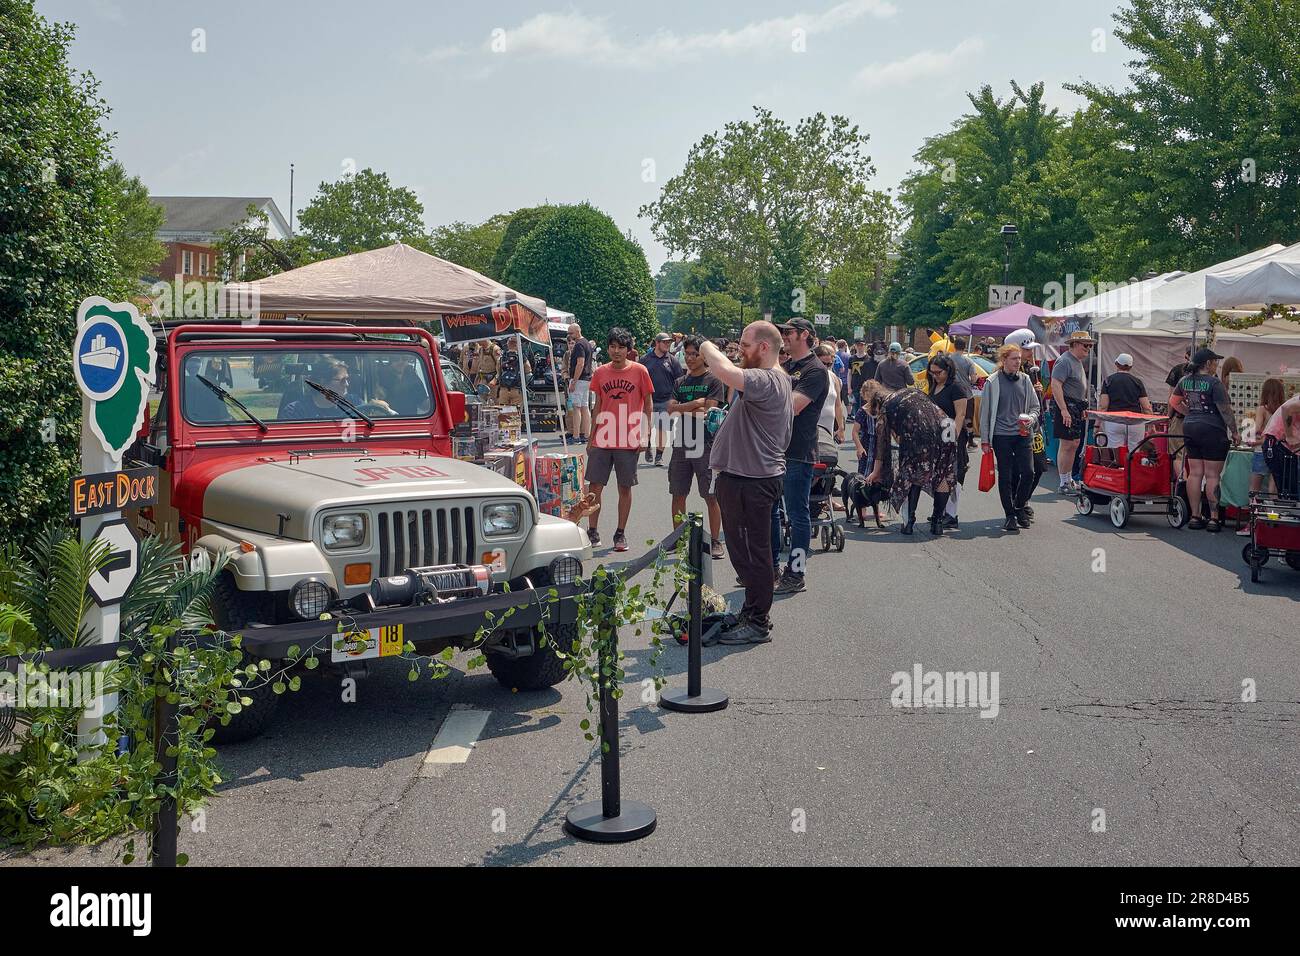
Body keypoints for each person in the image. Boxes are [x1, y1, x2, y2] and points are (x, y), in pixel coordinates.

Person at [701, 321, 792, 646]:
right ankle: (752, 612)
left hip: (751, 480)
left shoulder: (767, 379)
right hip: (747, 477)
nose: (740, 350)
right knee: (748, 552)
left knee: (752, 554)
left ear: (764, 347)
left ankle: (757, 621)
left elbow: (723, 370)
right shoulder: (772, 380)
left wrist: (705, 346)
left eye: (745, 345)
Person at [772, 318, 829, 594]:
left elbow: (793, 406)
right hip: (775, 450)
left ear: (805, 335)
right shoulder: (786, 367)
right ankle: (770, 569)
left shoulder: (815, 369)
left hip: (799, 451)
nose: (784, 336)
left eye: (789, 332)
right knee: (771, 511)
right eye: (783, 332)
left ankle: (796, 573)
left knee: (797, 514)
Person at [586, 327, 654, 552]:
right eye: (613, 347)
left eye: (621, 347)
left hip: (629, 437)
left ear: (628, 350)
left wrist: (645, 434)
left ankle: (620, 532)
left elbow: (648, 404)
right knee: (594, 487)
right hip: (603, 437)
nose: (616, 351)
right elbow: (597, 406)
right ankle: (592, 530)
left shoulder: (640, 371)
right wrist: (591, 436)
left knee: (624, 487)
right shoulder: (600, 373)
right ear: (607, 348)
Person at [862, 380, 956, 536]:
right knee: (944, 474)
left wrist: (876, 471)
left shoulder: (886, 407)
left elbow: (882, 445)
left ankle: (909, 523)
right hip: (947, 429)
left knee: (913, 475)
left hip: (921, 436)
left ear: (876, 404)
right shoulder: (909, 392)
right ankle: (937, 523)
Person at [667, 335, 726, 559]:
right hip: (682, 443)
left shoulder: (713, 381)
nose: (690, 358)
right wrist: (694, 404)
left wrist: (683, 408)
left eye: (695, 354)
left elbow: (708, 413)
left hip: (706, 443)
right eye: (687, 353)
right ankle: (678, 538)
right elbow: (670, 409)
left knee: (711, 496)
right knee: (677, 493)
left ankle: (715, 540)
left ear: (704, 356)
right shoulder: (680, 381)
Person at [1169, 348, 1240, 531]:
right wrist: (1235, 431)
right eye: (1215, 361)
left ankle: (1195, 515)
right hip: (1213, 429)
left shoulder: (1184, 381)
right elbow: (1225, 410)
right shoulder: (1214, 383)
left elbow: (1173, 402)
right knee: (1212, 475)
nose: (1216, 364)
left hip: (1190, 427)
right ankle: (1214, 518)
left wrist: (1190, 413)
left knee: (1195, 473)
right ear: (1207, 363)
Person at [978, 344, 1042, 533]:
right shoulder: (992, 382)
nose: (1017, 362)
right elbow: (985, 413)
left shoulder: (1025, 380)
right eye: (1014, 359)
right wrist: (985, 440)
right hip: (1001, 435)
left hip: (1023, 434)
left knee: (1028, 472)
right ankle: (1010, 515)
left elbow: (1035, 407)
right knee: (1005, 476)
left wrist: (1030, 418)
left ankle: (1019, 506)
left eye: (1019, 359)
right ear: (1004, 360)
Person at [926, 352, 971, 530]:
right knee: (939, 475)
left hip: (952, 437)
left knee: (955, 474)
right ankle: (941, 510)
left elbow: (960, 414)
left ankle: (951, 514)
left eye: (939, 373)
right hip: (937, 437)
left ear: (948, 370)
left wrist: (954, 436)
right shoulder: (934, 387)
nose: (935, 376)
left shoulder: (956, 388)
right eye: (932, 373)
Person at [1005, 329, 1048, 506]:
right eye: (1027, 349)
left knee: (1038, 467)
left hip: (1033, 425)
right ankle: (1017, 503)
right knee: (1015, 470)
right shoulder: (1006, 373)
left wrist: (1039, 392)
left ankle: (1022, 500)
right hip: (1012, 426)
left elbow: (1037, 402)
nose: (1031, 353)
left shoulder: (1032, 370)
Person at [1050, 330, 1093, 493]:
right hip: (1067, 405)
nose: (1088, 348)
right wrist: (1063, 409)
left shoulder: (1076, 361)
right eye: (1085, 345)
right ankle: (1063, 482)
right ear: (1074, 344)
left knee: (1074, 443)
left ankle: (1068, 479)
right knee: (1067, 444)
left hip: (1075, 406)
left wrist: (1080, 406)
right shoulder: (1065, 361)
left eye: (1089, 345)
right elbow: (1056, 384)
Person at [641, 332, 683, 466]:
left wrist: (677, 399)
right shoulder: (645, 359)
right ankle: (648, 447)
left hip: (666, 400)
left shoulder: (672, 360)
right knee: (646, 428)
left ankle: (659, 456)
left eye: (669, 342)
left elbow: (679, 380)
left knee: (662, 429)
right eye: (664, 342)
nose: (667, 344)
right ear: (657, 343)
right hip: (648, 400)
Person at [1098, 353, 1153, 451]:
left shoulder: (1108, 381)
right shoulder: (1137, 382)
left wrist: (1097, 425)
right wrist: (1151, 425)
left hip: (1114, 420)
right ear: (1131, 367)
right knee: (1135, 453)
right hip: (1135, 421)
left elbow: (1103, 406)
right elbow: (1146, 407)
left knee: (1115, 452)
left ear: (1116, 364)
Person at [1261, 392, 1300, 498]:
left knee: (1290, 490)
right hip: (1278, 444)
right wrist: (1289, 435)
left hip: (1284, 447)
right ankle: (1286, 512)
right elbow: (1286, 408)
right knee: (1287, 490)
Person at [381, 351, 433, 416]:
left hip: (410, 419)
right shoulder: (381, 376)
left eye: (404, 358)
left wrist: (435, 395)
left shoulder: (412, 376)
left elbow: (423, 404)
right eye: (396, 358)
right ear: (390, 360)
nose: (401, 362)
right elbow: (375, 399)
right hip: (386, 419)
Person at [566, 323, 593, 443]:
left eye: (571, 333)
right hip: (586, 379)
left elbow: (580, 363)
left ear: (578, 331)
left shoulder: (579, 345)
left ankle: (576, 436)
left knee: (576, 408)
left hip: (579, 379)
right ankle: (587, 435)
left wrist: (574, 381)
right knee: (585, 407)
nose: (570, 336)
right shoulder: (587, 343)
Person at [815, 343, 846, 445]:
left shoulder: (833, 378)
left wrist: (841, 427)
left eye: (829, 364)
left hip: (829, 426)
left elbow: (838, 405)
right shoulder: (810, 376)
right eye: (823, 363)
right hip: (813, 426)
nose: (826, 367)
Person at [491, 340, 529, 410]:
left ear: (508, 345)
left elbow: (498, 373)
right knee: (515, 415)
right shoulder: (522, 358)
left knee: (503, 413)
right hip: (517, 390)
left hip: (503, 390)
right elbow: (528, 372)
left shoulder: (502, 358)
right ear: (517, 345)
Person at [848, 340, 872, 415]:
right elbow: (849, 373)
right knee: (856, 409)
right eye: (858, 345)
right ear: (855, 346)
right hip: (855, 388)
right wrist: (849, 387)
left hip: (866, 388)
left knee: (866, 409)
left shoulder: (870, 359)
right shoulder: (851, 358)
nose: (860, 347)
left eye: (862, 345)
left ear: (865, 346)